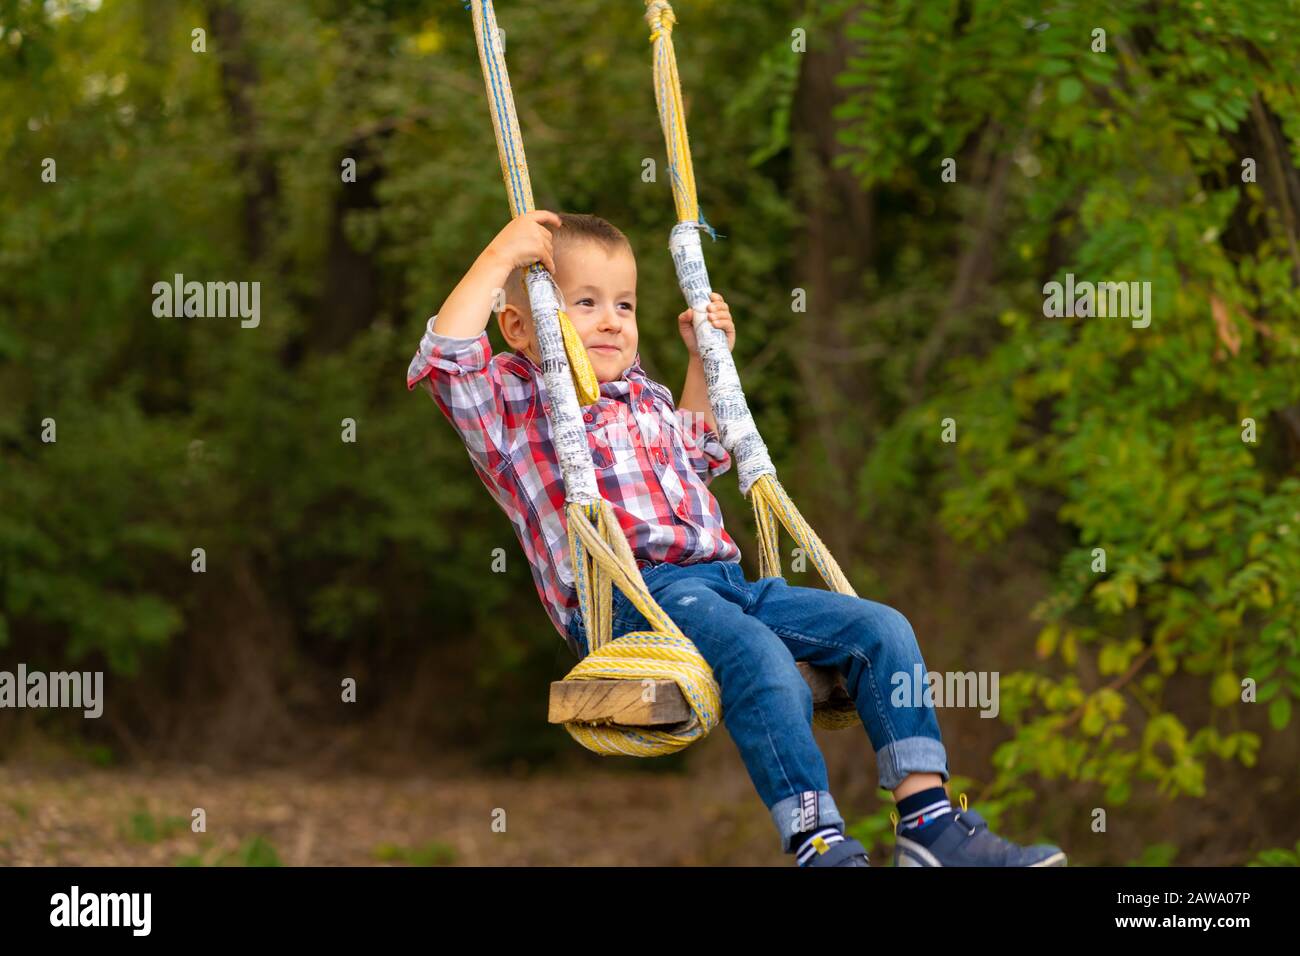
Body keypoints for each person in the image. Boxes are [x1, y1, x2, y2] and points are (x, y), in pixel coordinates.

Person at [407, 209, 1067, 867]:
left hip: (725, 584)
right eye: (585, 302)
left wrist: (701, 359)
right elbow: (447, 364)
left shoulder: (648, 396)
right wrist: (499, 256)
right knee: (761, 657)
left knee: (883, 628)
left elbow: (697, 455)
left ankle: (929, 824)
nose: (612, 320)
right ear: (519, 326)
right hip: (631, 601)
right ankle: (817, 839)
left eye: (625, 305)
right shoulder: (519, 406)